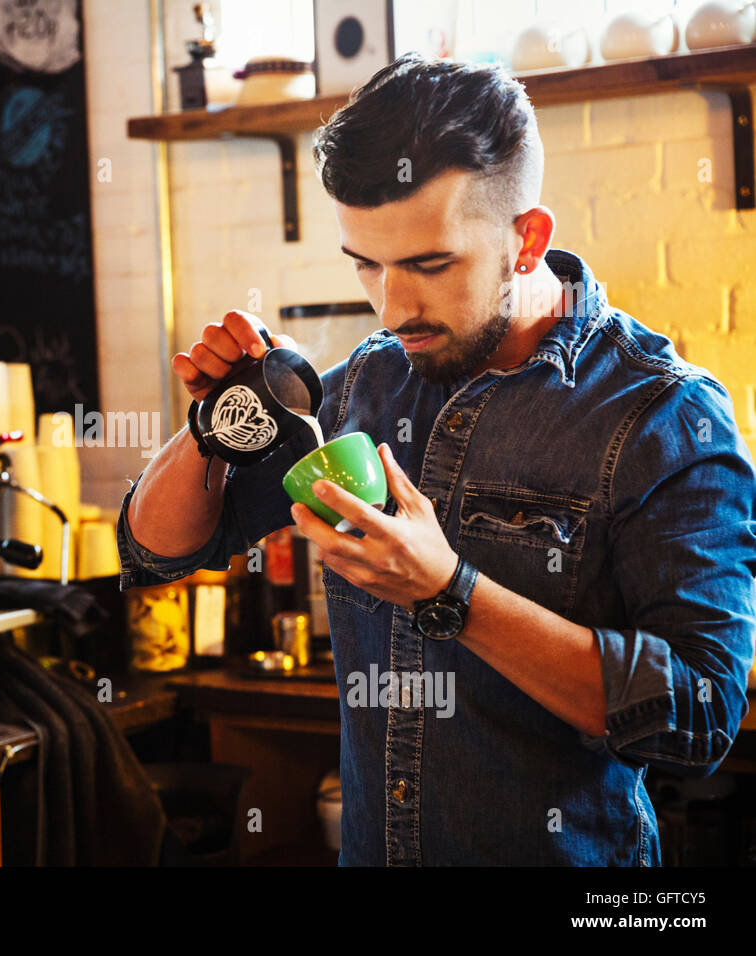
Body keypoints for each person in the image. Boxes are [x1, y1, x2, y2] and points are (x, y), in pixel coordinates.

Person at [116, 53, 756, 865]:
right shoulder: (367, 384)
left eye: (428, 265)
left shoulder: (662, 416)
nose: (392, 305)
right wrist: (215, 425)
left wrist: (449, 592)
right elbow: (155, 551)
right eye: (366, 264)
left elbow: (698, 716)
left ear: (527, 240)